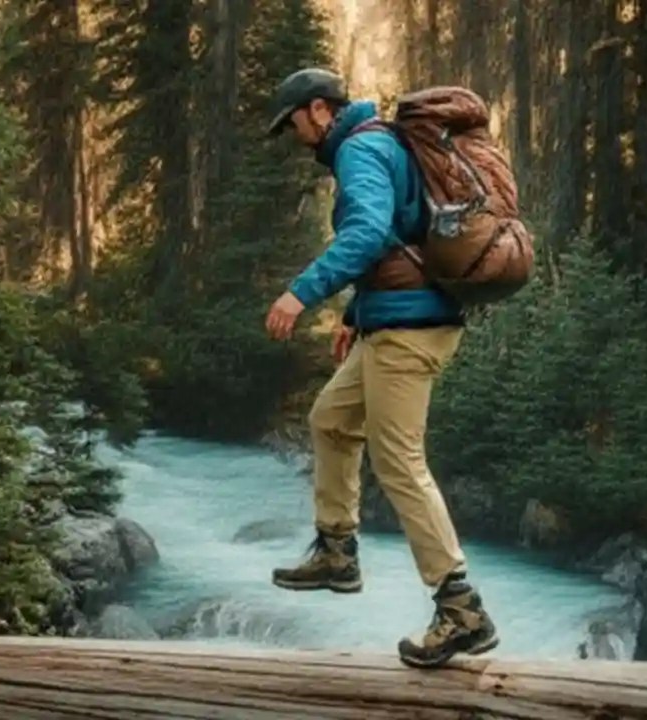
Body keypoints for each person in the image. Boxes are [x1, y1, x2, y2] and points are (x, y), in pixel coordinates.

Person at [262, 67, 498, 669]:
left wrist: (301, 293)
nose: (295, 137)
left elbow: (368, 232)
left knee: (399, 463)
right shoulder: (375, 141)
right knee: (332, 421)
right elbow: (398, 236)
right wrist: (354, 312)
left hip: (409, 331)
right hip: (390, 319)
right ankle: (338, 552)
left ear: (318, 110)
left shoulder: (361, 148)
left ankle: (461, 610)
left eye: (293, 124)